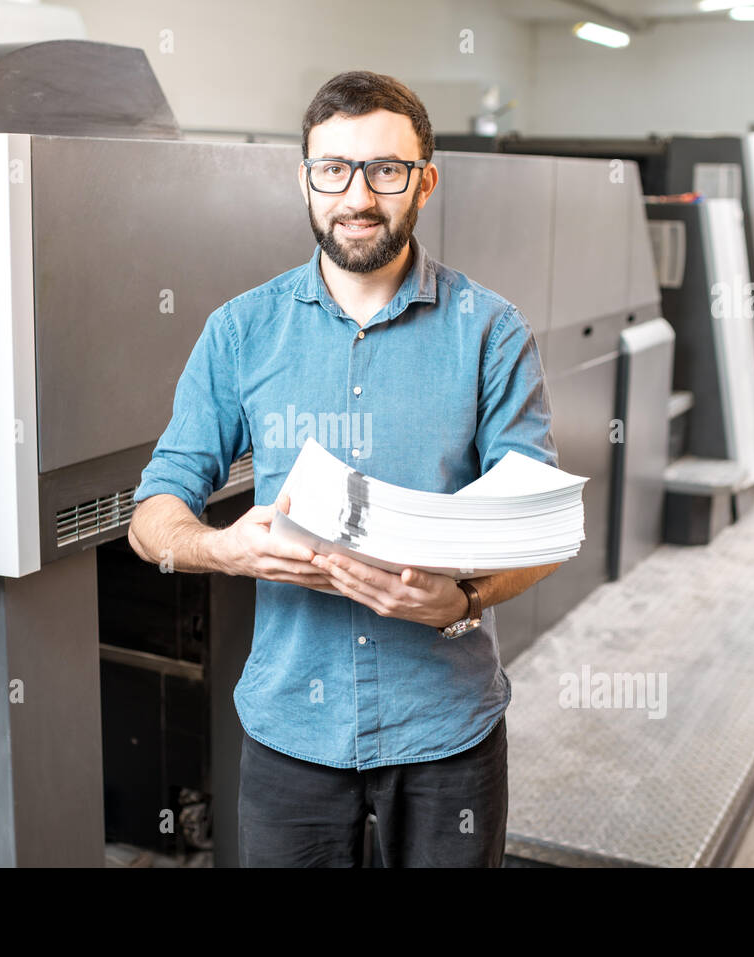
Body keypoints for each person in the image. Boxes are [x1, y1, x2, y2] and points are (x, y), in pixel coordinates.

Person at [127, 70, 563, 867]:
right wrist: (222, 546)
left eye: (385, 170)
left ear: (424, 182)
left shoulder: (492, 333)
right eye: (334, 169)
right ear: (306, 179)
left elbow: (535, 530)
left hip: (446, 732)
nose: (357, 196)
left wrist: (458, 600)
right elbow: (153, 510)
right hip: (292, 732)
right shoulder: (240, 332)